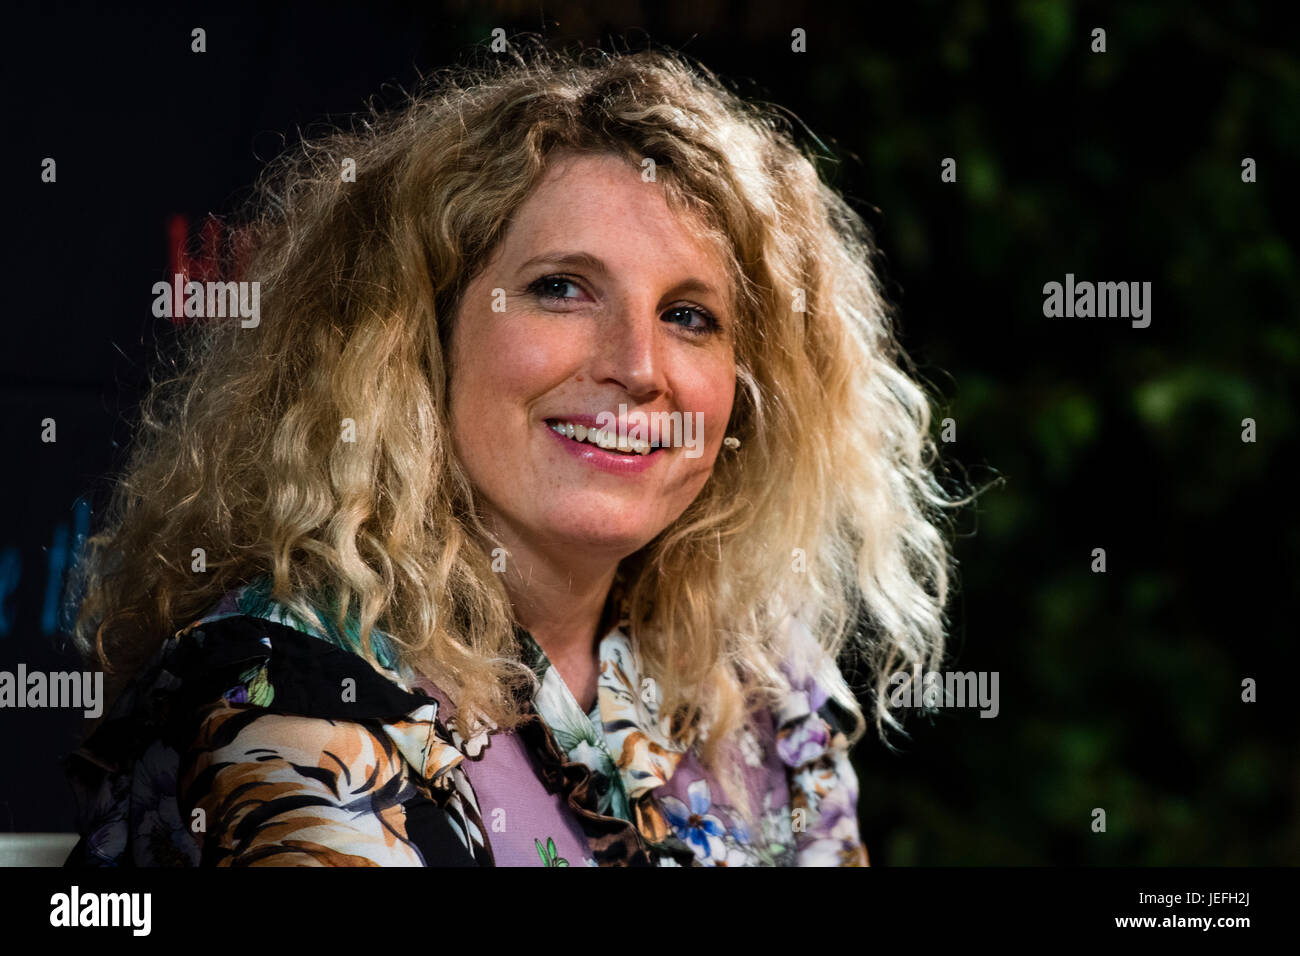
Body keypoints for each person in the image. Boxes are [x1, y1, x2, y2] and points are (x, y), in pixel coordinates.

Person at [61, 45, 960, 867]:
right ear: (415, 341)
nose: (638, 368)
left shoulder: (763, 688)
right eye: (561, 289)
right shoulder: (286, 701)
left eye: (689, 316)